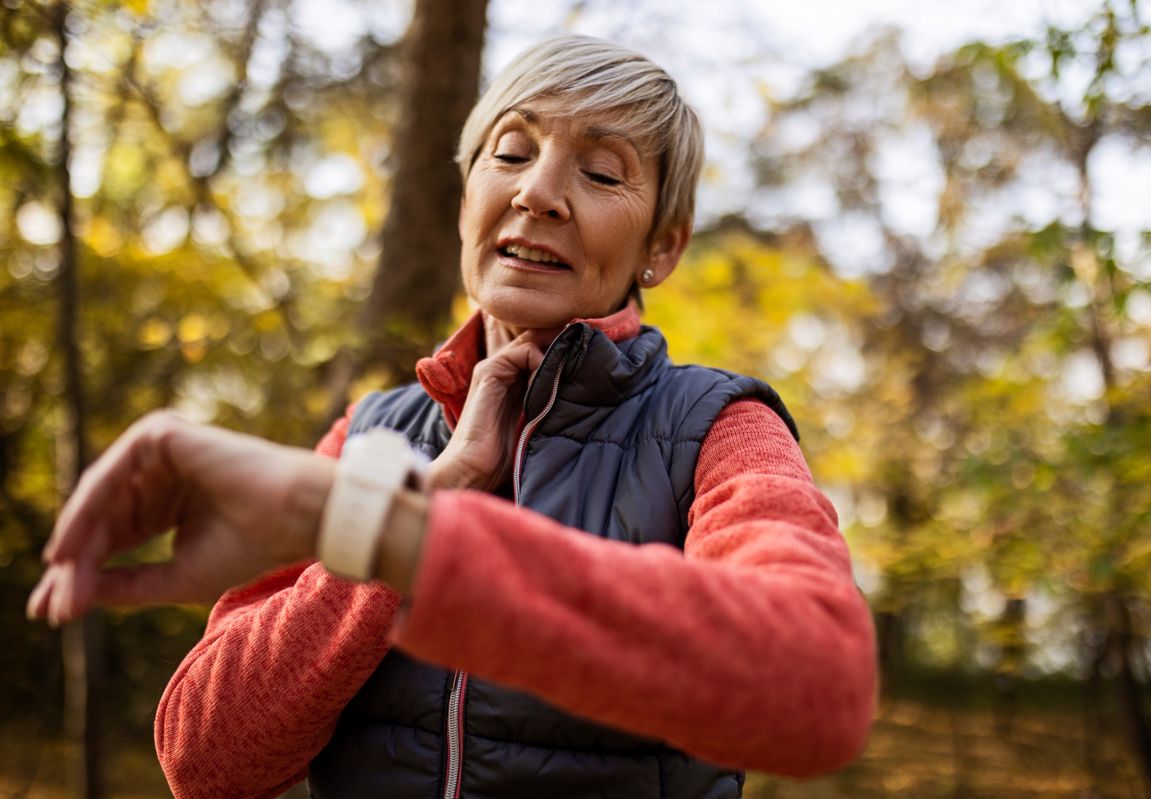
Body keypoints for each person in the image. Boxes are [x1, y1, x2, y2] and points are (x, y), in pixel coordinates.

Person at [28, 35, 876, 798]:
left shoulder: (716, 426)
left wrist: (395, 530)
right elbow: (203, 760)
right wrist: (410, 513)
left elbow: (821, 688)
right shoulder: (371, 429)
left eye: (603, 171)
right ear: (468, 191)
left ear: (662, 247)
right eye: (511, 152)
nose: (539, 192)